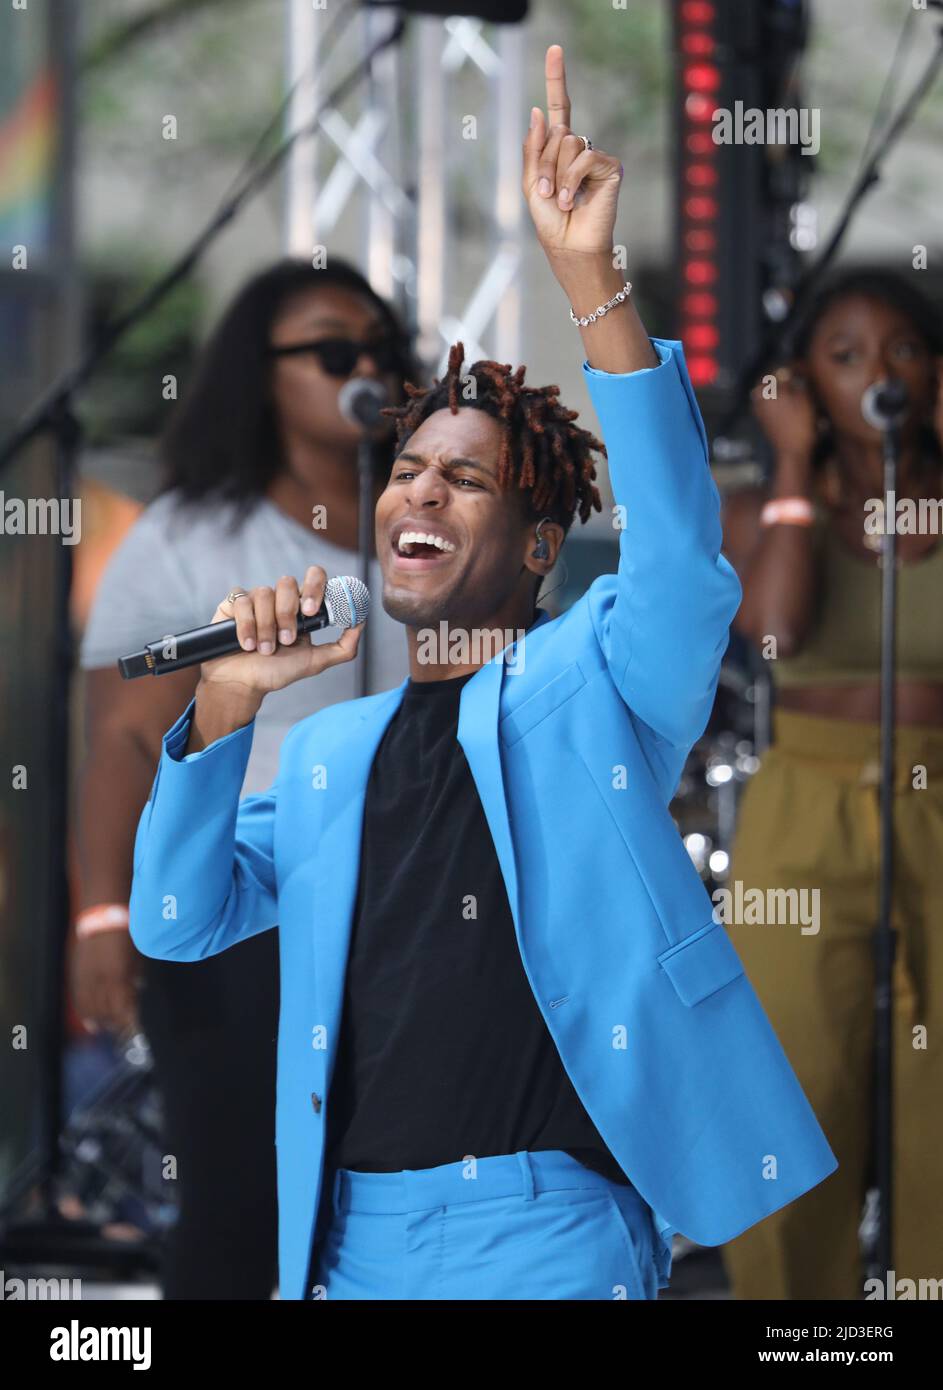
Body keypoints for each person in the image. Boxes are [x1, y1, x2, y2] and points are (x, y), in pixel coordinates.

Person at [127, 46, 836, 1301]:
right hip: (346, 1242)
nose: (420, 489)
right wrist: (230, 703)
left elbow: (678, 547)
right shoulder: (338, 749)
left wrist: (588, 278)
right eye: (407, 470)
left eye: (464, 478)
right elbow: (178, 921)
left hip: (545, 1231)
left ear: (541, 544)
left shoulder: (596, 682)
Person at [72, 257, 414, 1298]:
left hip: (406, 904)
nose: (362, 367)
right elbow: (125, 738)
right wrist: (100, 915)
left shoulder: (430, 520)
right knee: (239, 1194)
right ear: (258, 375)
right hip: (240, 902)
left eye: (377, 349)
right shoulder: (193, 532)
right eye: (328, 349)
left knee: (386, 1190)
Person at [720, 269, 943, 1299]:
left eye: (900, 349)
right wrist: (799, 468)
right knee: (792, 1096)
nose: (875, 375)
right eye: (843, 355)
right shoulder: (756, 509)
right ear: (799, 381)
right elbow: (777, 630)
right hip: (805, 810)